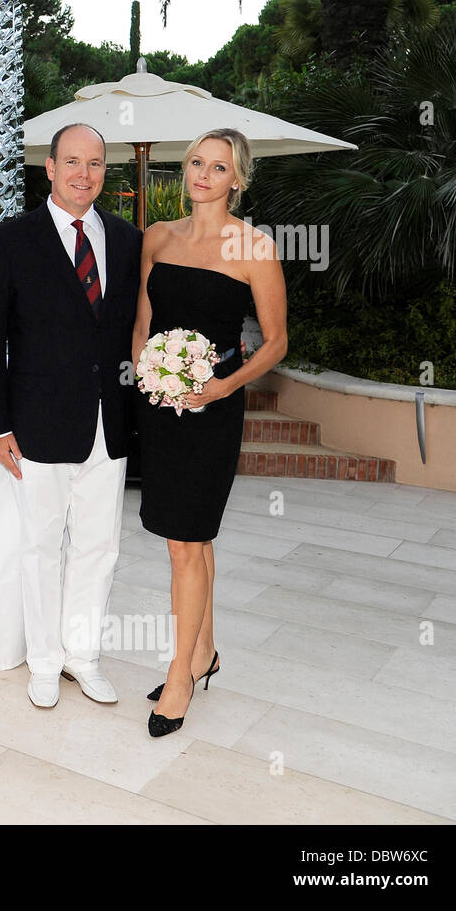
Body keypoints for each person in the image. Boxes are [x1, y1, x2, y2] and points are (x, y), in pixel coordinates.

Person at [0, 123, 143, 710]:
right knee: (42, 548)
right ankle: (44, 662)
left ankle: (82, 657)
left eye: (94, 163)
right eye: (72, 161)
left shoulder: (127, 240)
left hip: (108, 424)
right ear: (49, 168)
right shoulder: (11, 241)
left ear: (104, 171)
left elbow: (132, 330)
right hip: (36, 424)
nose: (83, 174)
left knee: (100, 546)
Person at [133, 128, 287, 737]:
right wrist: (148, 374)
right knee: (192, 541)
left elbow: (275, 342)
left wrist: (222, 387)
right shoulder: (156, 237)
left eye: (218, 167)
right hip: (160, 408)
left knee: (185, 542)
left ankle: (179, 677)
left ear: (237, 180)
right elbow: (143, 322)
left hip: (213, 410)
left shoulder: (254, 247)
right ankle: (204, 654)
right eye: (196, 162)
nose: (203, 174)